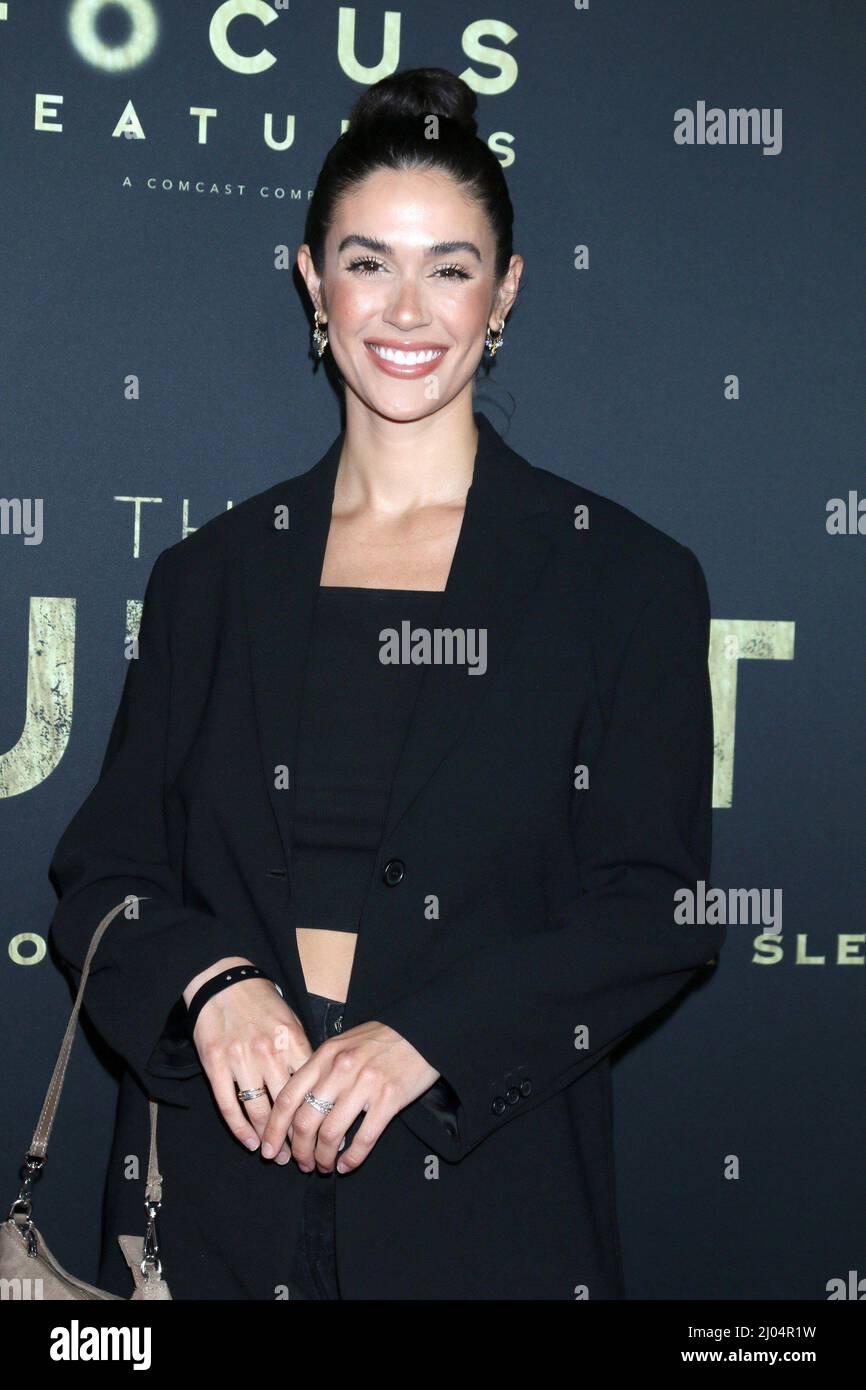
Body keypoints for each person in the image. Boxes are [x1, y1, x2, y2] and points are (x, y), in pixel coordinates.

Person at [48, 67, 725, 1300]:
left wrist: (430, 1040)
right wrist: (211, 987)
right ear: (311, 279)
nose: (405, 309)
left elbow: (655, 908)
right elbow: (104, 873)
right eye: (367, 262)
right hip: (207, 1211)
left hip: (483, 1213)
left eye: (451, 267)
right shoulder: (208, 577)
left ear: (505, 290)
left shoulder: (621, 578)